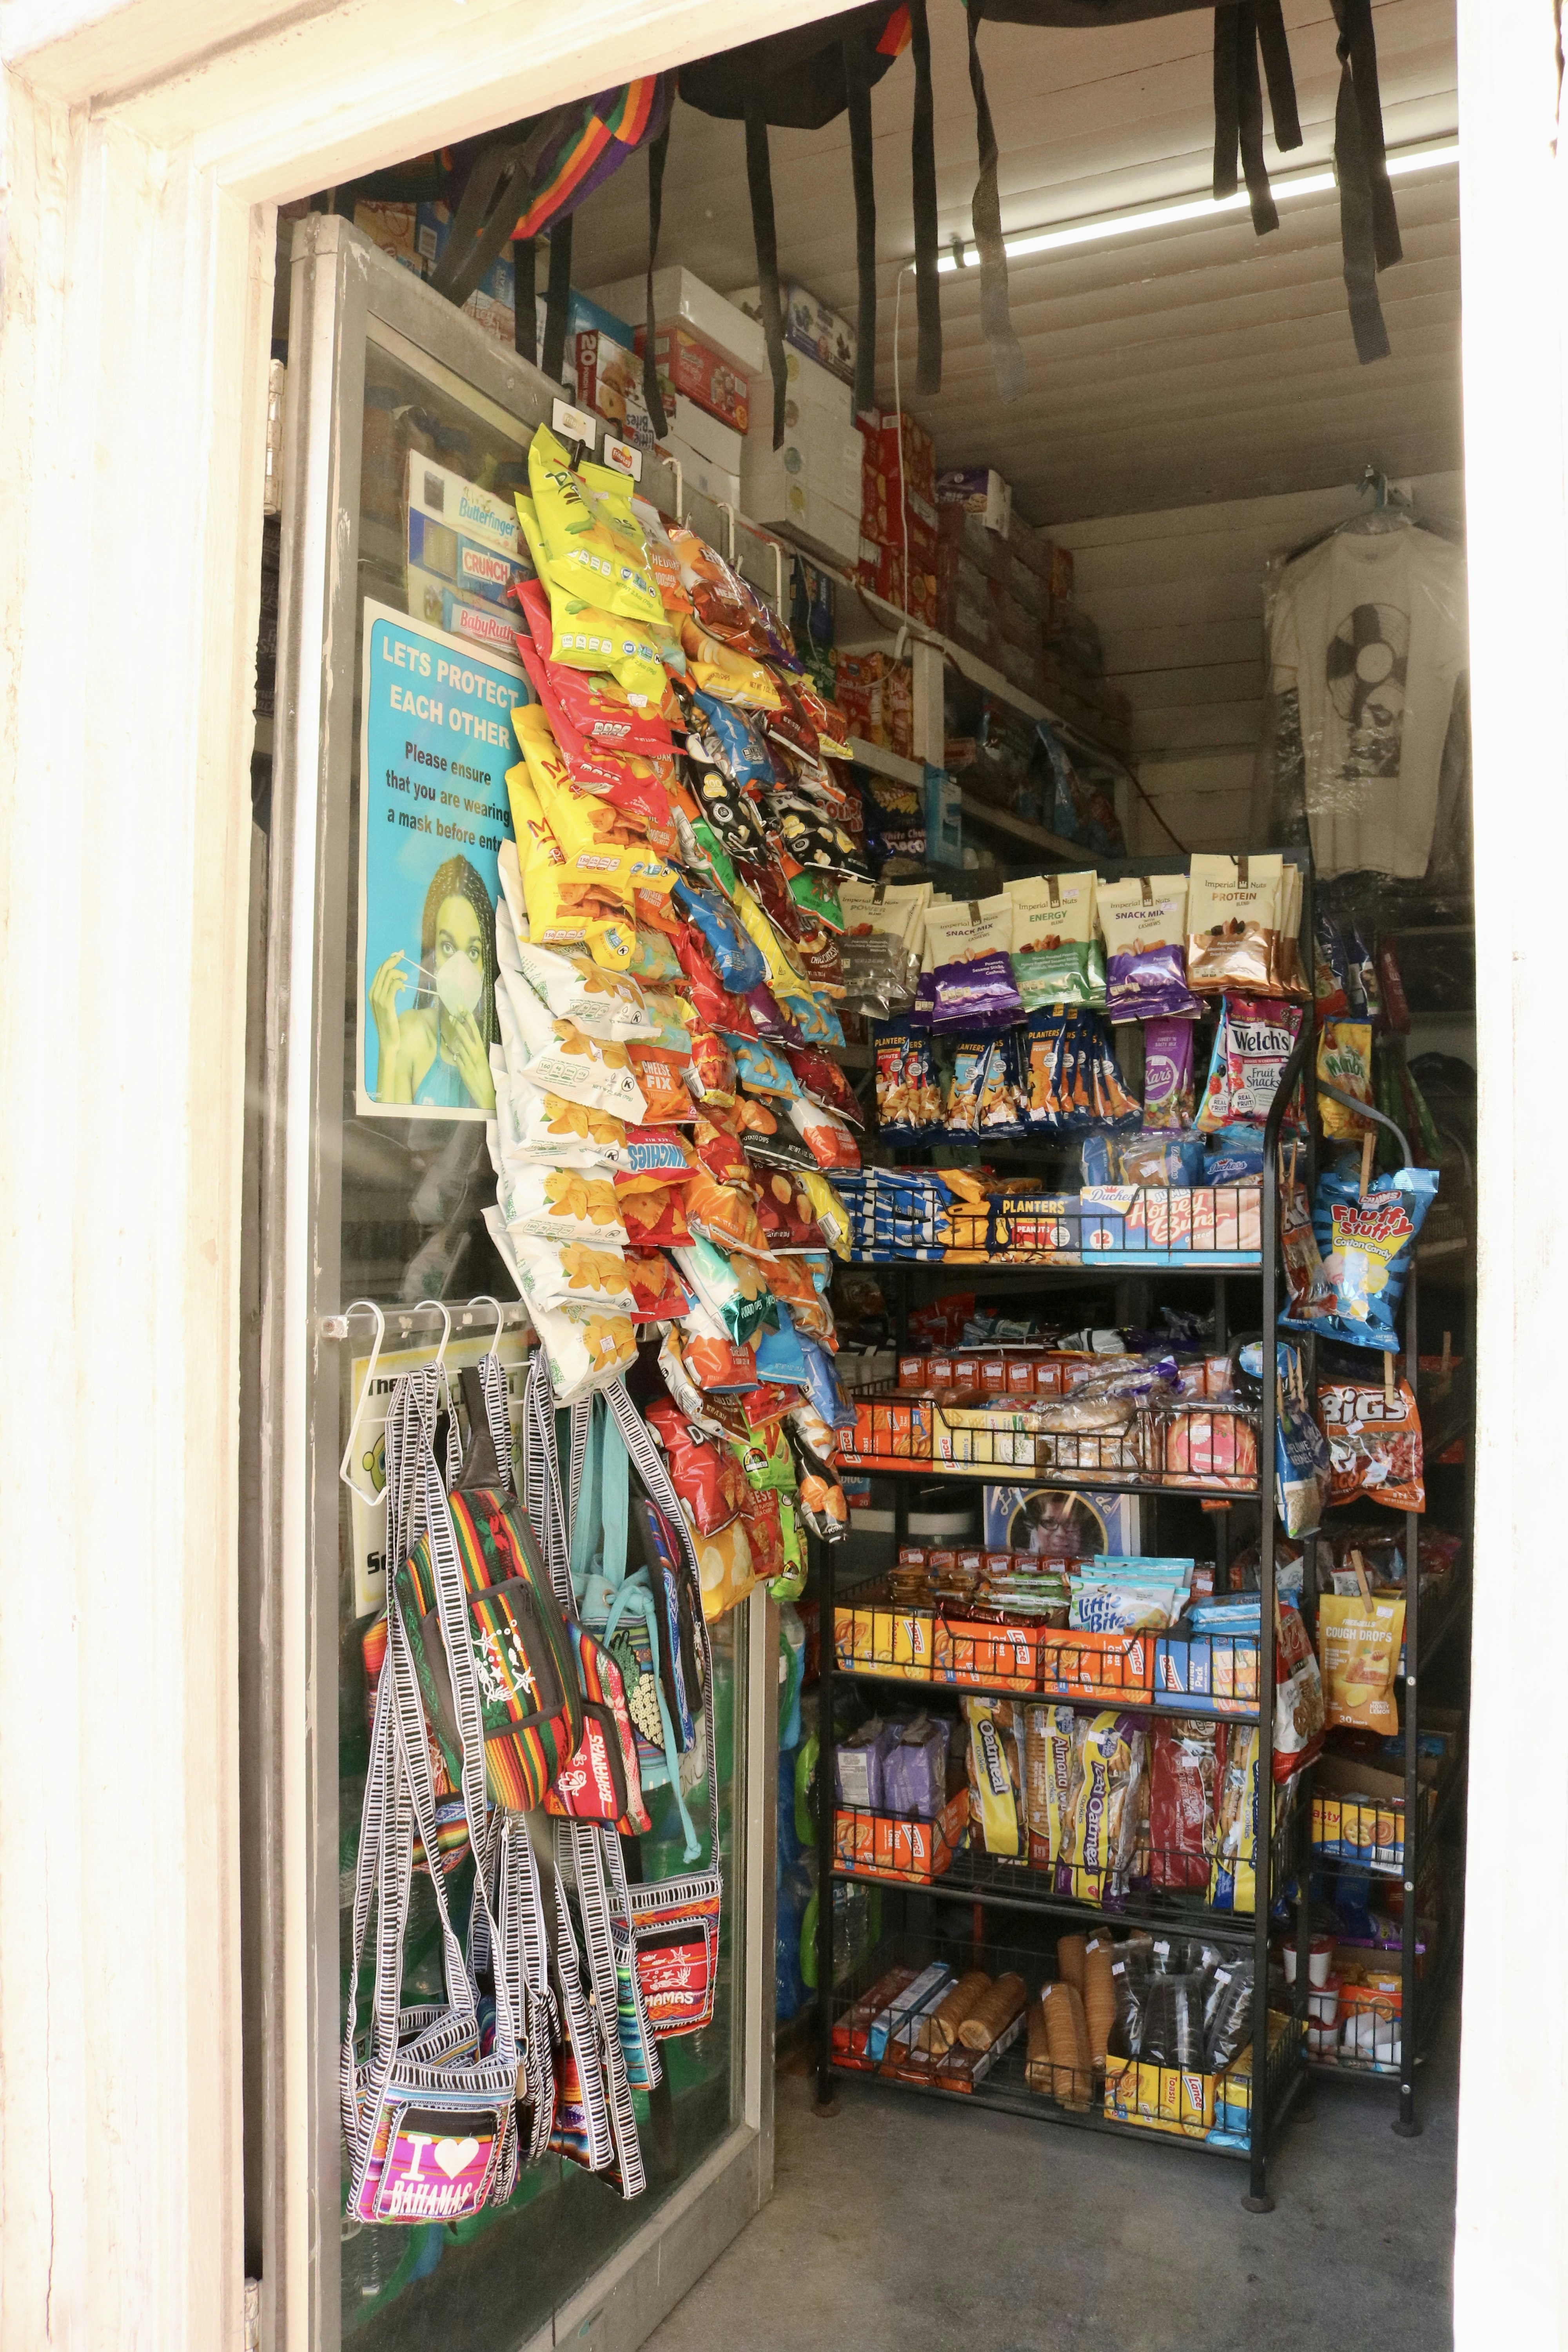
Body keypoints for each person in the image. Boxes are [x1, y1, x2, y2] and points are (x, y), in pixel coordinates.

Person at [369, 855, 497, 1112]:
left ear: (487, 962)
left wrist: (488, 1098)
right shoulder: (412, 1032)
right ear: (433, 953)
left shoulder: (504, 1049)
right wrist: (389, 1049)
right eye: (448, 947)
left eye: (473, 952)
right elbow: (389, 1142)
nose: (460, 968)